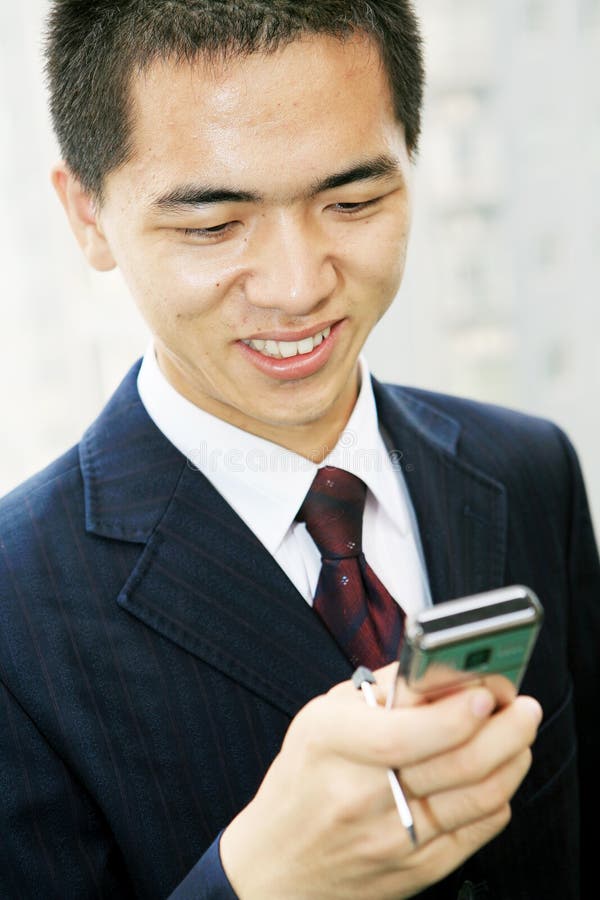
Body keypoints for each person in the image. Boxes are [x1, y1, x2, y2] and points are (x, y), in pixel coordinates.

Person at [1, 2, 598, 898]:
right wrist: (259, 881)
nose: (298, 287)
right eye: (212, 226)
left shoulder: (527, 468)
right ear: (88, 214)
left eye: (353, 201)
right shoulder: (16, 612)